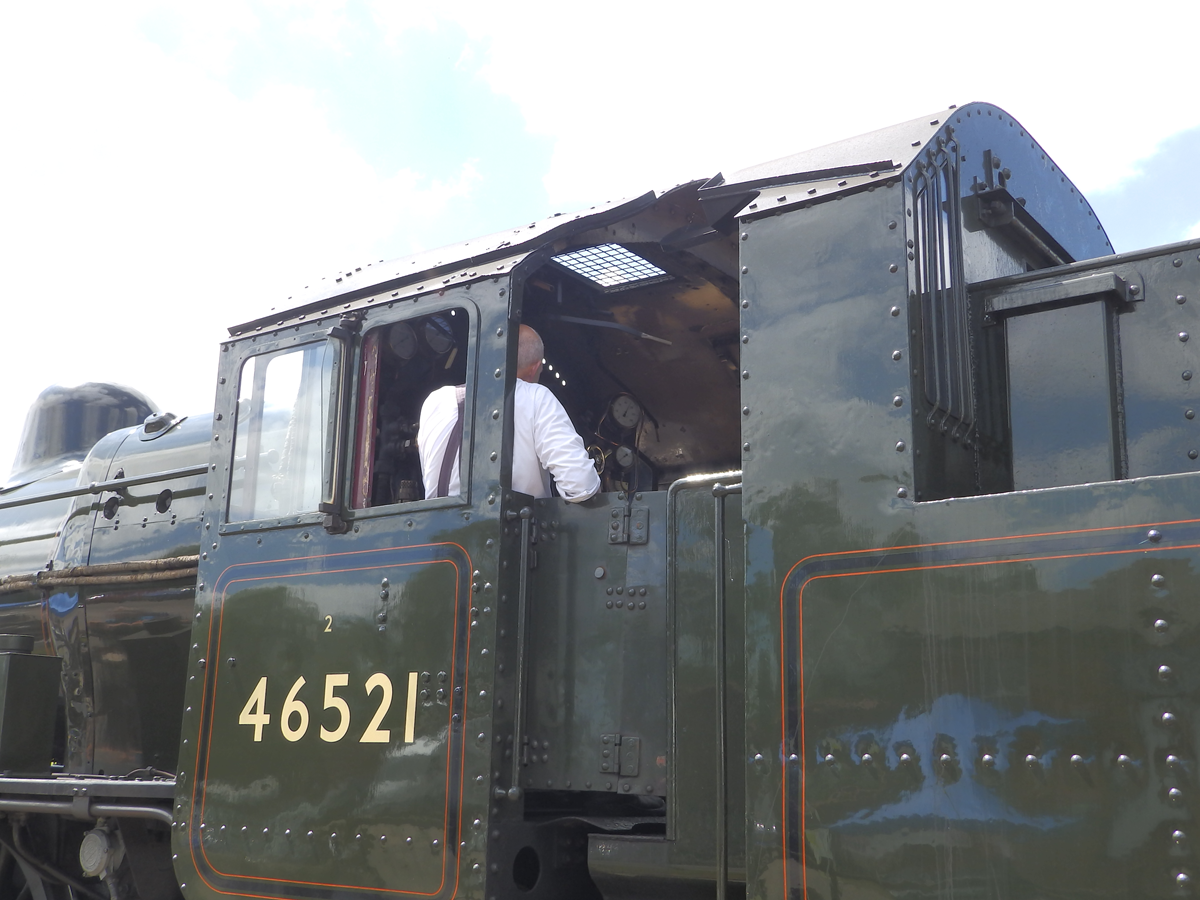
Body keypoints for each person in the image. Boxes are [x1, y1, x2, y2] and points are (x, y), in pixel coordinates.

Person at [418, 325, 601, 501]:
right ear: (535, 368)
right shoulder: (537, 397)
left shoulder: (435, 401)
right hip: (515, 523)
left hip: (438, 523)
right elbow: (581, 485)